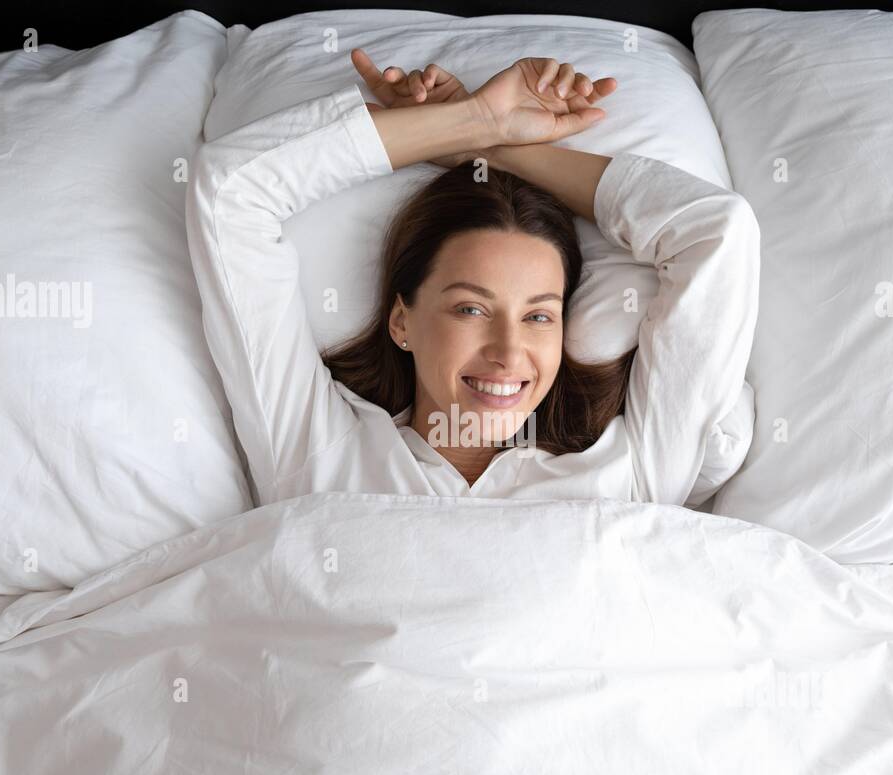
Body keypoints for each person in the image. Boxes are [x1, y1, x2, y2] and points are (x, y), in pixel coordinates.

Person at [186, 52, 759, 507]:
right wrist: (472, 117)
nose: (509, 353)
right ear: (401, 320)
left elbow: (717, 233)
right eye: (471, 309)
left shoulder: (629, 478)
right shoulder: (317, 454)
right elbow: (231, 192)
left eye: (538, 316)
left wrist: (486, 150)